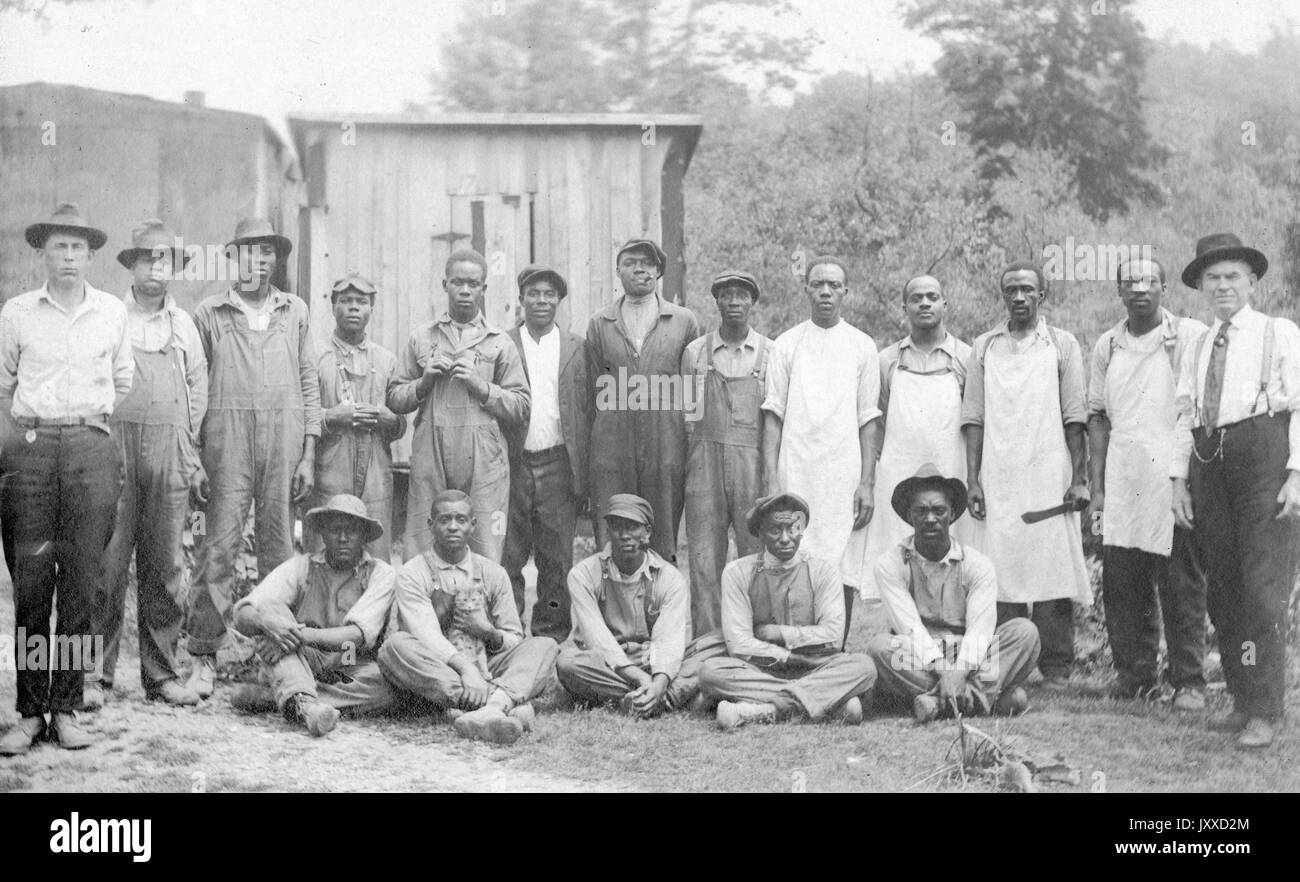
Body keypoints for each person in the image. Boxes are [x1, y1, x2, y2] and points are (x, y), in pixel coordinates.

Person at [0, 203, 132, 756]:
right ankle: (30, 713)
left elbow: (121, 379)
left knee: (82, 585)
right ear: (43, 253)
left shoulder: (110, 312)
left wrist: (82, 424)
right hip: (30, 450)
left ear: (90, 255)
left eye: (79, 248)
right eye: (60, 247)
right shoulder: (17, 312)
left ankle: (67, 708)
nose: (70, 257)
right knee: (32, 586)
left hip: (91, 448)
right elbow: (4, 382)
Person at [1171, 233, 1300, 750]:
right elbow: (1183, 415)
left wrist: (1296, 474)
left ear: (1251, 282)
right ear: (1201, 285)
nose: (1223, 286)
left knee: (1262, 589)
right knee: (1223, 590)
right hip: (1209, 461)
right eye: (1214, 278)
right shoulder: (1199, 341)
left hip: (1263, 459)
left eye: (1233, 277)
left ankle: (1266, 710)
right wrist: (1178, 481)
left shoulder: (1279, 332)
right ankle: (1243, 700)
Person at [185, 218, 321, 699]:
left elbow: (308, 381)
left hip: (283, 440)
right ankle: (204, 655)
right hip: (226, 439)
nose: (258, 262)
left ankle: (277, 657)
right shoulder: (210, 312)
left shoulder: (295, 310)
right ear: (233, 257)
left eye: (267, 253)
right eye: (249, 253)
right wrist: (196, 457)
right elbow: (193, 388)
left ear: (274, 260)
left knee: (280, 551)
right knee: (218, 548)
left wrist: (308, 453)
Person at [88, 219, 209, 710]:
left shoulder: (184, 327)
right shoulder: (109, 317)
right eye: (147, 259)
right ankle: (94, 676)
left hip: (169, 452)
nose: (155, 268)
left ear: (173, 270)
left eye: (165, 260)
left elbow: (196, 386)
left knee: (165, 566)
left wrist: (187, 445)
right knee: (105, 565)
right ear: (133, 266)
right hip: (114, 450)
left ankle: (161, 675)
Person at [962, 260, 1091, 688]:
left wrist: (1078, 478)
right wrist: (973, 479)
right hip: (998, 472)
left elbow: (1076, 417)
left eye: (1027, 290)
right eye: (1011, 290)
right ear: (1003, 297)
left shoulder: (1062, 344)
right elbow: (974, 417)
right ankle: (1009, 661)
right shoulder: (984, 346)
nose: (1019, 297)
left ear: (1042, 295)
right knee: (1001, 566)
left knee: (1052, 563)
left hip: (1049, 470)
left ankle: (1056, 667)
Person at [1086, 258, 1208, 708]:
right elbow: (1098, 416)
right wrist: (1097, 488)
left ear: (1163, 289)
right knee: (1122, 579)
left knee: (1180, 582)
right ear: (1120, 292)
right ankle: (1134, 674)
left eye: (1149, 281)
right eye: (1130, 282)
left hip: (1173, 474)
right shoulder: (1108, 345)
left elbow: (1197, 409)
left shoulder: (1187, 336)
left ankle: (1189, 681)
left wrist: (1188, 478)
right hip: (1123, 474)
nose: (1140, 289)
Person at [379, 490, 559, 745]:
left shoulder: (493, 573)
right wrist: (466, 670)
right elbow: (426, 635)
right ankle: (501, 702)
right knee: (394, 647)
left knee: (545, 645)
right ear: (431, 525)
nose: (453, 527)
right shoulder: (412, 572)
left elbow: (514, 638)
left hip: (487, 662)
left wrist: (488, 633)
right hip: (438, 666)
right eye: (444, 520)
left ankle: (487, 707)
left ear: (473, 525)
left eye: (461, 520)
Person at [867, 465, 1040, 722]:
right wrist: (944, 671)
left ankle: (936, 703)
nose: (930, 519)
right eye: (921, 511)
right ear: (909, 515)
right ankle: (979, 699)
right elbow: (909, 627)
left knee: (1025, 633)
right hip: (919, 655)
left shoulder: (977, 563)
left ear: (952, 514)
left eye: (939, 510)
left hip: (969, 655)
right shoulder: (890, 563)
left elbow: (981, 629)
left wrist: (959, 672)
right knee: (880, 648)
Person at [388, 249, 529, 562]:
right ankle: (422, 608)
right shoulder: (422, 338)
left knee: (485, 546)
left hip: (484, 454)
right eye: (458, 282)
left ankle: (478, 610)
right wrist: (423, 383)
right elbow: (394, 397)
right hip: (431, 449)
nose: (465, 290)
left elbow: (521, 406)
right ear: (445, 284)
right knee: (422, 542)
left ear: (484, 289)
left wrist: (482, 387)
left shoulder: (499, 342)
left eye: (473, 284)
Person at [763, 255, 881, 625]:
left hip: (842, 472)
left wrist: (866, 482)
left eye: (833, 285)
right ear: (806, 290)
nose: (826, 292)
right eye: (818, 284)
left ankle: (832, 647)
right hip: (797, 466)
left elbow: (868, 419)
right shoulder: (786, 344)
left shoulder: (862, 346)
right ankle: (791, 648)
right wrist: (771, 478)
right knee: (792, 550)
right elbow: (773, 414)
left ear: (845, 291)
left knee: (837, 558)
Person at [698, 492, 877, 730]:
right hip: (763, 670)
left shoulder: (824, 570)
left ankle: (762, 710)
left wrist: (780, 633)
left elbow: (833, 637)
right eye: (775, 530)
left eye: (793, 528)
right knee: (712, 671)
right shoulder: (738, 572)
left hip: (816, 667)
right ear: (760, 532)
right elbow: (739, 644)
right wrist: (788, 656)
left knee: (864, 666)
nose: (785, 538)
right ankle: (829, 704)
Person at [230, 495, 398, 737]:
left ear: (363, 535)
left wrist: (295, 636)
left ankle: (283, 695)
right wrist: (267, 624)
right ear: (322, 532)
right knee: (270, 610)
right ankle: (307, 708)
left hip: (350, 661)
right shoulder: (302, 566)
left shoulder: (381, 574)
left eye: (351, 531)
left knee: (388, 686)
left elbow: (356, 636)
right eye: (334, 530)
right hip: (303, 657)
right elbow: (243, 612)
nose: (342, 538)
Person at [849, 274, 972, 599]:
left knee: (953, 556)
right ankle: (902, 632)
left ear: (945, 303)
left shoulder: (966, 358)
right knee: (899, 562)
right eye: (916, 298)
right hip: (899, 473)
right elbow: (877, 420)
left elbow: (974, 422)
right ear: (905, 307)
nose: (925, 303)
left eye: (932, 296)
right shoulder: (887, 360)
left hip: (951, 471)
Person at [557, 493, 726, 715]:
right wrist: (641, 678)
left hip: (653, 661)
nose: (625, 535)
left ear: (647, 532)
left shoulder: (669, 577)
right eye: (617, 527)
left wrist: (659, 680)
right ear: (608, 530)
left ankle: (642, 698)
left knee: (720, 642)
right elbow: (598, 638)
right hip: (608, 665)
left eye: (633, 527)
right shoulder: (584, 574)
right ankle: (666, 699)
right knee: (567, 663)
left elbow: (668, 640)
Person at [587, 239, 700, 561]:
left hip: (665, 444)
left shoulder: (683, 321)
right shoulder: (600, 323)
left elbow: (692, 391)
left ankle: (661, 608)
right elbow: (594, 391)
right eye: (632, 262)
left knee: (661, 535)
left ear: (659, 271)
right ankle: (613, 607)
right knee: (613, 534)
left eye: (648, 263)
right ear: (618, 270)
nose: (641, 269)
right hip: (613, 446)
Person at [681, 270, 771, 636]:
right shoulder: (695, 353)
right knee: (704, 561)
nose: (734, 301)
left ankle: (754, 642)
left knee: (755, 559)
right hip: (704, 467)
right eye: (727, 295)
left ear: (752, 302)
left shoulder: (771, 352)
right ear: (716, 301)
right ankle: (706, 647)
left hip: (753, 467)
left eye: (742, 295)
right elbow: (685, 416)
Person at [502, 264, 590, 641]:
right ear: (521, 300)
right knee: (509, 556)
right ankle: (506, 636)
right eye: (533, 294)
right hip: (512, 464)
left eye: (549, 294)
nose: (541, 300)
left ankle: (549, 639)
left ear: (559, 300)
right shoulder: (504, 342)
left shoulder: (576, 347)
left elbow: (587, 407)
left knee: (556, 559)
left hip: (557, 464)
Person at [308, 272, 406, 561]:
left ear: (371, 309)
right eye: (346, 300)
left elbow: (401, 423)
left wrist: (390, 420)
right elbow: (299, 413)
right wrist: (331, 417)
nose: (353, 307)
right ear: (333, 306)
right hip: (330, 465)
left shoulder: (387, 360)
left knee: (376, 553)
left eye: (361, 301)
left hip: (377, 469)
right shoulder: (314, 356)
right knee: (323, 551)